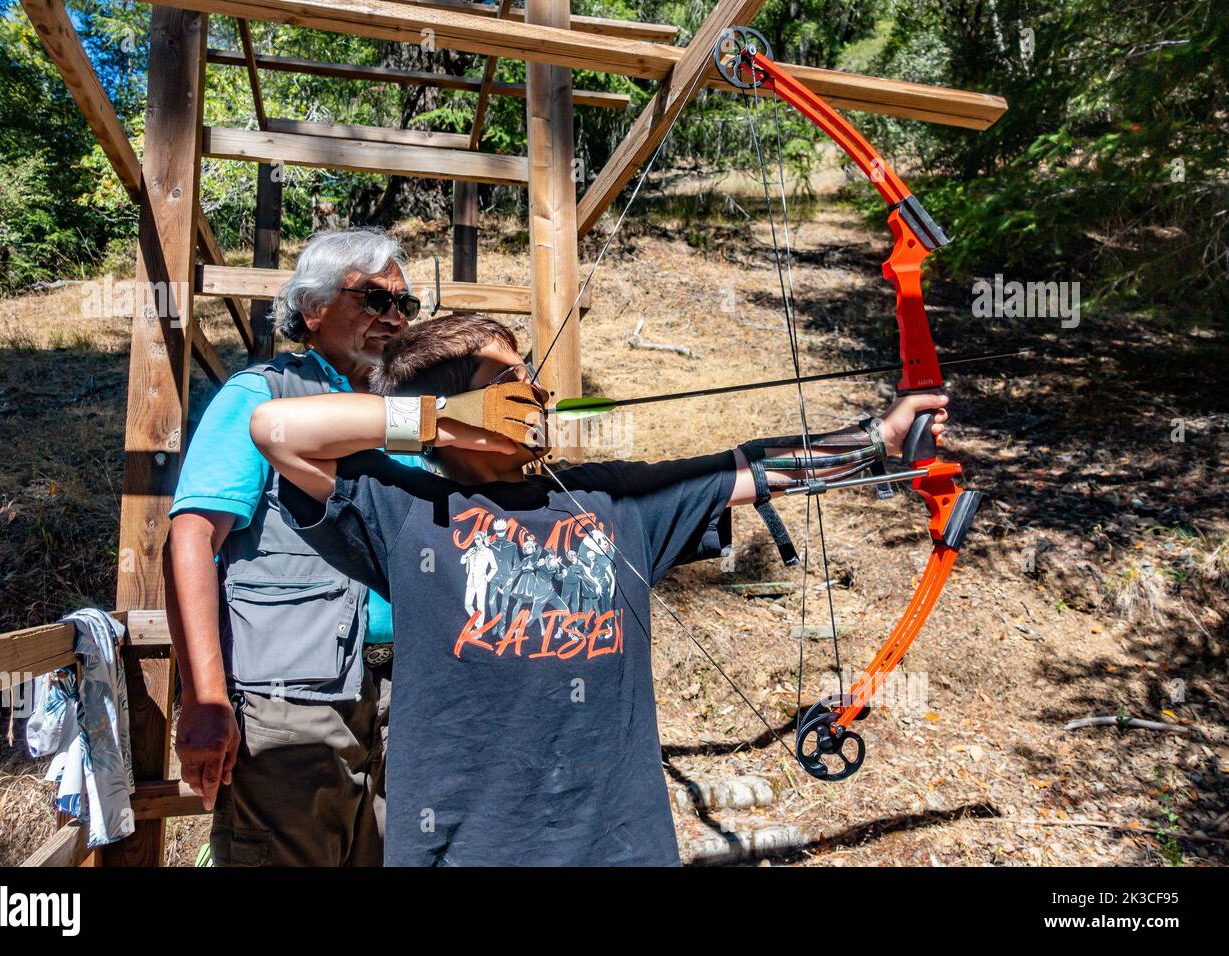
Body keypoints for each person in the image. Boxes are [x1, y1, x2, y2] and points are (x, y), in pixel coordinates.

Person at [249, 313, 949, 865]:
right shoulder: (405, 509)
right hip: (462, 845)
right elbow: (278, 429)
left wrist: (881, 437)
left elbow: (751, 469)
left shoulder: (612, 499)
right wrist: (438, 420)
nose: (542, 394)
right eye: (515, 379)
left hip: (618, 839)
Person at [163, 228, 422, 866]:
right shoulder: (263, 394)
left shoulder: (414, 415)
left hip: (410, 695)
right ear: (312, 309)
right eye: (373, 299)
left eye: (404, 306)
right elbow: (192, 537)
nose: (393, 317)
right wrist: (204, 696)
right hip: (292, 702)